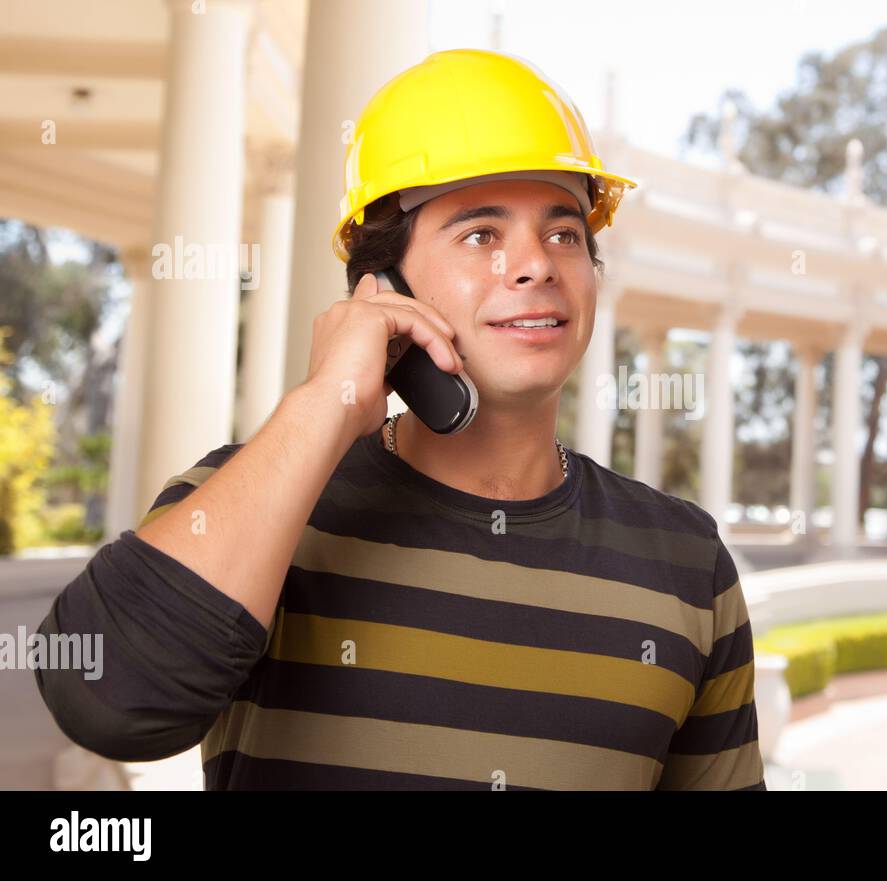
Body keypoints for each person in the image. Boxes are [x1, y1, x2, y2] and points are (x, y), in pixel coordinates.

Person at [33, 48, 767, 791]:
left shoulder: (687, 564)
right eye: (481, 233)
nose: (536, 264)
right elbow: (103, 698)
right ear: (381, 286)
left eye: (564, 232)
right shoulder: (256, 502)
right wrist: (329, 399)